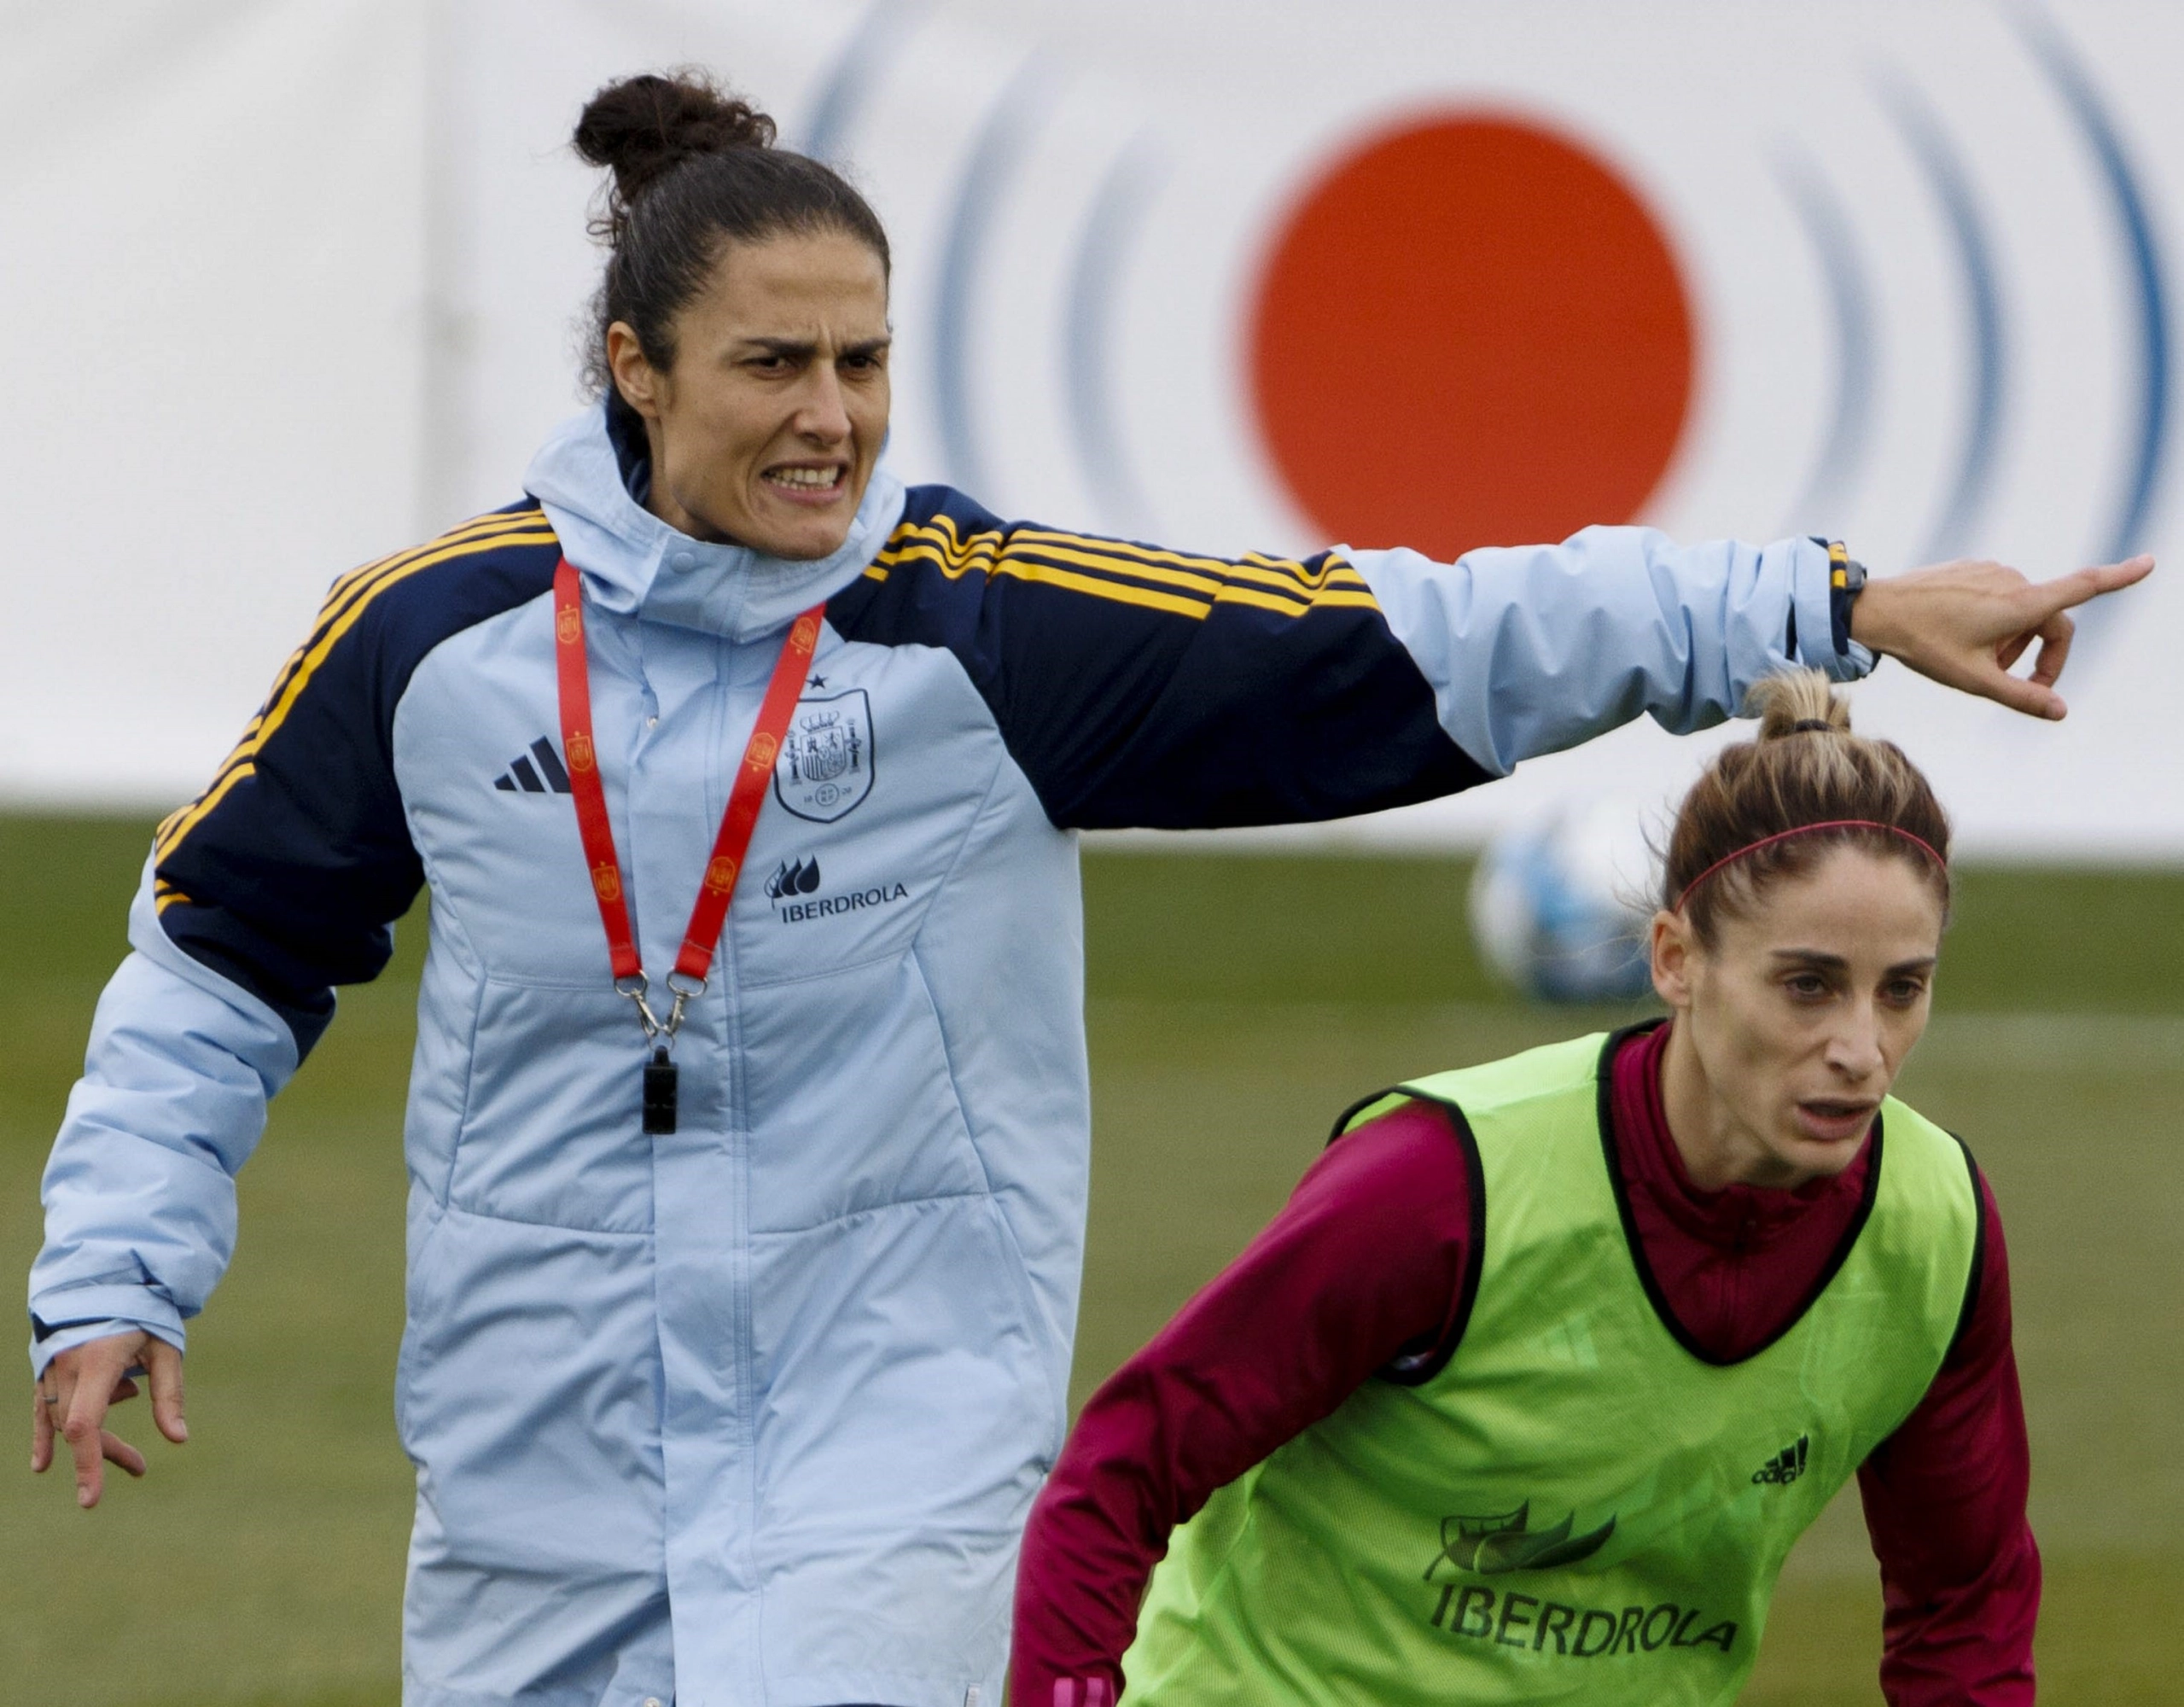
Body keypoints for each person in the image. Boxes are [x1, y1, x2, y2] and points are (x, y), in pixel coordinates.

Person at [26, 67, 2130, 1707]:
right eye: (773, 365)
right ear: (634, 368)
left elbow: (1410, 633)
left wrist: (1829, 597)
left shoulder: (989, 635)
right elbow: (222, 952)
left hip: (889, 1495)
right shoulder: (423, 638)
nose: (833, 419)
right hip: (526, 1483)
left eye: (863, 362)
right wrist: (119, 1262)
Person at [1012, 668, 2032, 1705]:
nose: (1862, 1048)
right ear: (1677, 959)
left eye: (1902, 988)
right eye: (1807, 984)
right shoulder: (1439, 1180)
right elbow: (1124, 1467)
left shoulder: (1933, 1226)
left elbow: (1968, 1604)